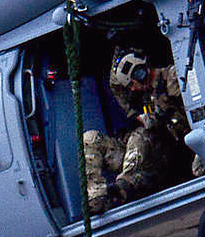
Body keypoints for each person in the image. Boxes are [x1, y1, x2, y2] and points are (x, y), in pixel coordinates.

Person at [80, 49, 192, 215]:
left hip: (164, 152)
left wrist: (159, 118)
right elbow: (115, 86)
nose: (132, 89)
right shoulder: (143, 97)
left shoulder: (171, 78)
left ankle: (123, 188)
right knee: (89, 138)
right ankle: (97, 198)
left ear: (140, 74)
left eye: (132, 83)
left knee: (139, 136)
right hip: (140, 154)